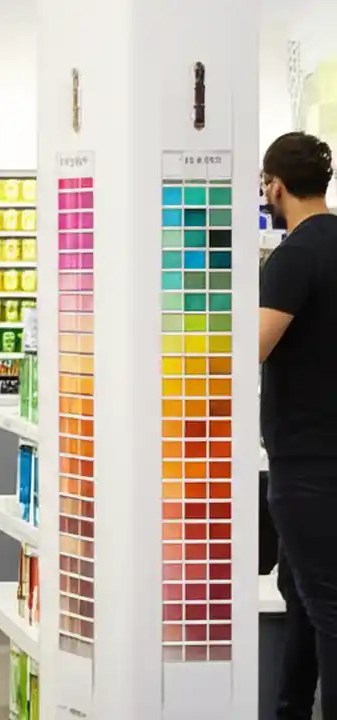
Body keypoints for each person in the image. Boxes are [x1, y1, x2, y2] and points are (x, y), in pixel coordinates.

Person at [259, 130, 337, 719]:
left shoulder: (294, 257)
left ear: (275, 186)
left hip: (305, 459)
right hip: (325, 448)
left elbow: (252, 348)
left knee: (326, 604)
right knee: (302, 596)